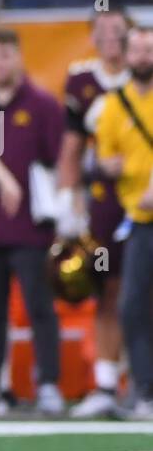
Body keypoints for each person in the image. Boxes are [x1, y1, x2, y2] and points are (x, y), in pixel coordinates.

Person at [0, 26, 66, 415]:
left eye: (4, 55)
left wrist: (66, 208)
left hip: (31, 226)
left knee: (39, 305)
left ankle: (49, 383)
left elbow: (60, 160)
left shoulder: (42, 104)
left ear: (18, 56)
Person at [59, 9, 132, 417]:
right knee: (108, 290)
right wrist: (69, 201)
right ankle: (106, 382)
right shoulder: (83, 81)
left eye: (118, 32)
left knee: (141, 294)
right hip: (107, 201)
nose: (110, 39)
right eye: (101, 32)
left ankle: (141, 382)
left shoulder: (145, 74)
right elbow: (71, 148)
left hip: (145, 195)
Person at [94, 23, 153, 420]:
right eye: (136, 49)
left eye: (149, 50)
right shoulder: (114, 102)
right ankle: (145, 391)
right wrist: (110, 166)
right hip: (140, 220)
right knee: (130, 304)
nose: (142, 56)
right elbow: (103, 156)